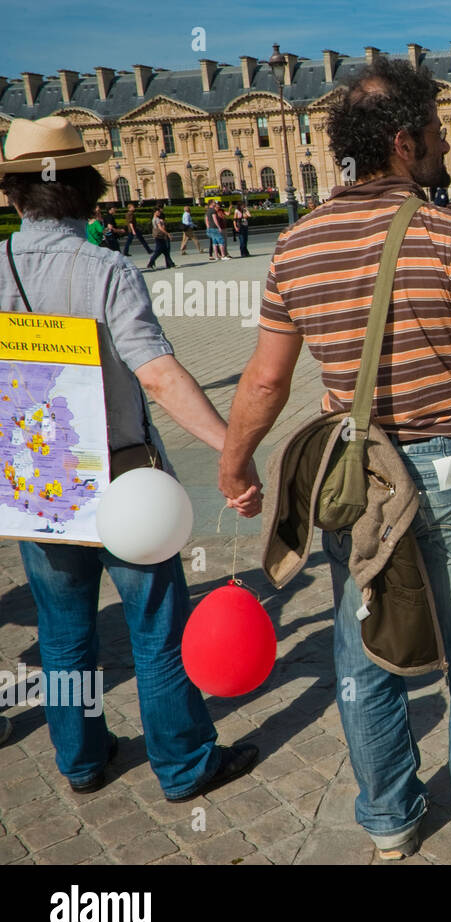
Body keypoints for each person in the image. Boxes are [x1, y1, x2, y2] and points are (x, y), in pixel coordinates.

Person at [219, 57, 451, 864]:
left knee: (365, 643)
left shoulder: (297, 244)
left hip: (357, 477)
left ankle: (388, 818)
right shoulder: (448, 233)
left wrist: (236, 460)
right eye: (439, 133)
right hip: (450, 466)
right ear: (406, 139)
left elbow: (267, 377)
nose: (448, 146)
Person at [0, 116, 260, 802]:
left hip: (39, 479)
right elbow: (158, 374)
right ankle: (182, 763)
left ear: (14, 195)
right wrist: (230, 445)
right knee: (155, 628)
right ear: (84, 188)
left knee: (62, 634)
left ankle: (81, 760)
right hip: (123, 479)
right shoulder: (106, 267)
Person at [145, 204, 175, 270]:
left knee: (165, 251)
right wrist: (167, 234)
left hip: (158, 236)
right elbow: (160, 228)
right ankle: (150, 263)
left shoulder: (154, 219)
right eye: (158, 212)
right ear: (155, 212)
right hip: (159, 236)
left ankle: (170, 264)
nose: (159, 213)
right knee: (158, 251)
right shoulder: (157, 219)